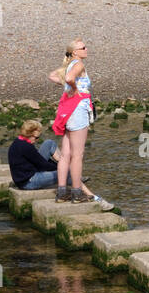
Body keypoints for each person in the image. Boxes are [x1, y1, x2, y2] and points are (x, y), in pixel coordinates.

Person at [48, 38, 113, 209]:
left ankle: (62, 192)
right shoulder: (78, 65)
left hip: (67, 111)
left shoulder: (68, 64)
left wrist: (68, 85)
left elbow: (52, 76)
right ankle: (77, 193)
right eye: (83, 47)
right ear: (75, 52)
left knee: (65, 154)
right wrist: (74, 88)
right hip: (78, 110)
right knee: (77, 155)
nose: (86, 49)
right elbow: (69, 77)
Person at [8, 119, 60, 190]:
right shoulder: (26, 147)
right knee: (66, 173)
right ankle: (75, 180)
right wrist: (60, 169)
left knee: (49, 143)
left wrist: (58, 166)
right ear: (29, 134)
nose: (37, 140)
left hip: (31, 171)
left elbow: (39, 160)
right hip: (28, 182)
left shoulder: (20, 140)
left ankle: (63, 163)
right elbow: (43, 165)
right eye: (36, 138)